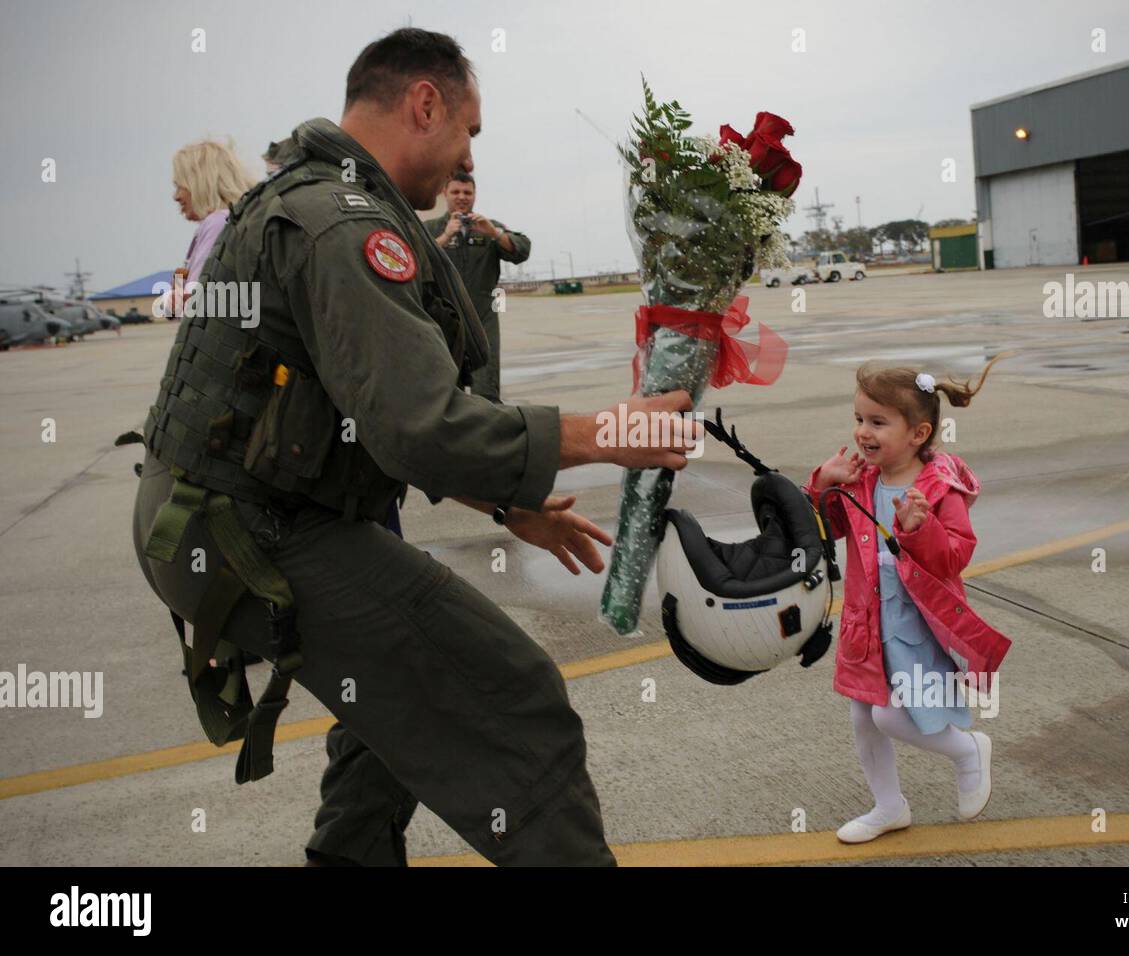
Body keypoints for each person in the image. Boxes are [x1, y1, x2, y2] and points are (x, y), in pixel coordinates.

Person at [128, 27, 700, 867]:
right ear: (423, 104)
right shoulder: (344, 226)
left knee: (390, 715)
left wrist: (510, 501)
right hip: (252, 528)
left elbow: (363, 420)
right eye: (468, 129)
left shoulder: (303, 196)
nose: (468, 151)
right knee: (516, 704)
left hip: (215, 516)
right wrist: (615, 432)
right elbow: (419, 425)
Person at [803, 358, 1004, 844]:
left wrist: (921, 530)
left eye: (877, 422)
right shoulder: (859, 480)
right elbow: (823, 530)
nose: (862, 433)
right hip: (867, 625)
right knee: (863, 716)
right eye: (858, 419)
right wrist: (824, 483)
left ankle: (967, 751)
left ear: (918, 433)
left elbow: (956, 555)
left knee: (892, 714)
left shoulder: (938, 489)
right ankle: (888, 806)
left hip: (917, 629)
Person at [426, 172, 530, 404]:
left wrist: (494, 233)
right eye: (456, 192)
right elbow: (413, 258)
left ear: (474, 195)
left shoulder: (489, 228)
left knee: (487, 393)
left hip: (483, 321)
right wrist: (444, 237)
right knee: (447, 395)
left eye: (467, 192)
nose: (462, 197)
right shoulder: (430, 229)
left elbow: (522, 249)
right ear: (445, 193)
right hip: (442, 324)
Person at [170, 139, 256, 303]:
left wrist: (177, 294)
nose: (176, 196)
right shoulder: (238, 219)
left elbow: (193, 303)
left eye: (180, 186)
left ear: (201, 183)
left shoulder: (217, 223)